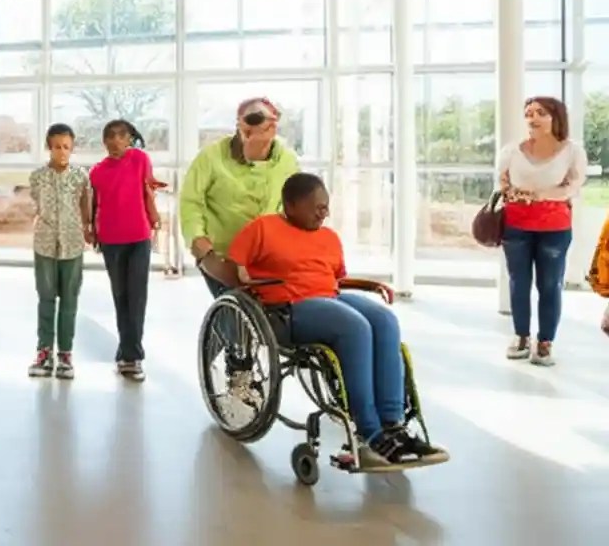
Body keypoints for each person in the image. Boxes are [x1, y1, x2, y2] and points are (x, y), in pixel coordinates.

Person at [226, 173, 448, 469]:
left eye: (326, 207)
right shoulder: (263, 228)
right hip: (288, 306)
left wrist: (370, 285)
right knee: (354, 327)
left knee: (384, 320)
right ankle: (370, 432)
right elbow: (235, 267)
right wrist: (245, 278)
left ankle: (394, 425)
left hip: (330, 297)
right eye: (317, 207)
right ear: (290, 205)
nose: (325, 213)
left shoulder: (329, 237)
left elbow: (336, 279)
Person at [497, 96, 587, 366]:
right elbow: (502, 182)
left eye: (540, 113)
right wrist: (513, 191)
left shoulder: (572, 151)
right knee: (518, 282)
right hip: (516, 226)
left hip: (554, 227)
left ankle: (545, 342)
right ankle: (521, 337)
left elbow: (573, 185)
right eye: (529, 113)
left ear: (555, 117)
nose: (533, 119)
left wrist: (539, 194)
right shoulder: (512, 150)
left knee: (549, 285)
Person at [181, 97, 301, 298]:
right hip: (221, 256)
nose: (248, 134)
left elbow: (293, 204)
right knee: (237, 307)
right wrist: (202, 249)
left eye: (259, 125)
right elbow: (191, 202)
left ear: (273, 127)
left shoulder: (287, 161)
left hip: (268, 254)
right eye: (245, 126)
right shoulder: (211, 156)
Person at [90, 119, 161, 382]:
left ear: (130, 138)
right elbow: (95, 204)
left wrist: (155, 218)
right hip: (110, 238)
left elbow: (147, 191)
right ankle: (127, 351)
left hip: (139, 237)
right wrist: (93, 233)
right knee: (121, 296)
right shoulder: (97, 171)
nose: (115, 141)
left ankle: (132, 357)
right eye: (109, 136)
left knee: (137, 296)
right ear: (104, 141)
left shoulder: (141, 159)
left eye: (121, 136)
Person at [27, 123, 92, 380]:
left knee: (70, 300)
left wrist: (88, 230)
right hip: (44, 243)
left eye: (66, 147)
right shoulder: (37, 177)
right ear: (48, 147)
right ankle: (44, 353)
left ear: (72, 148)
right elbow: (37, 203)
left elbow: (85, 207)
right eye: (57, 147)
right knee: (45, 298)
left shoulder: (80, 177)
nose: (62, 152)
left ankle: (65, 354)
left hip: (73, 244)